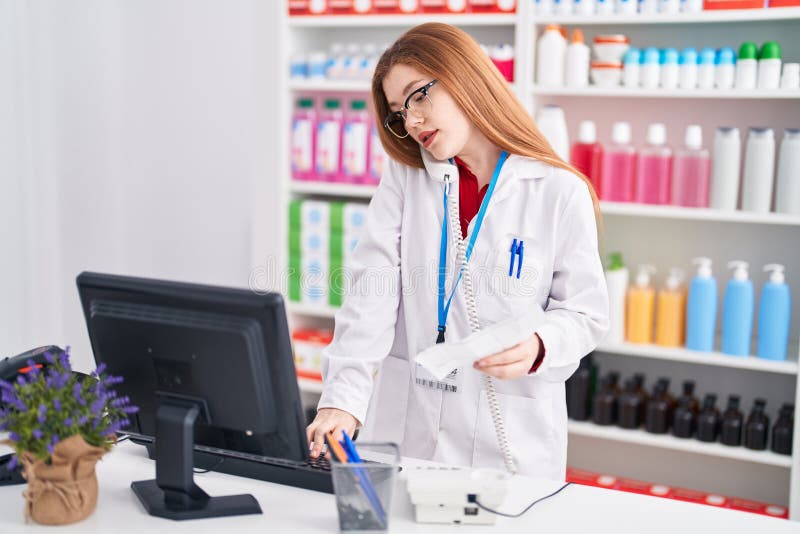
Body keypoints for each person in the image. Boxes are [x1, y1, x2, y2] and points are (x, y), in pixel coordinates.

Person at [305, 22, 609, 480]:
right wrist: (341, 401)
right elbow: (371, 294)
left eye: (419, 95)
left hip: (509, 435)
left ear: (466, 76)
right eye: (398, 113)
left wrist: (540, 345)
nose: (412, 121)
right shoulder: (406, 180)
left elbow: (585, 315)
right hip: (407, 428)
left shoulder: (558, 190)